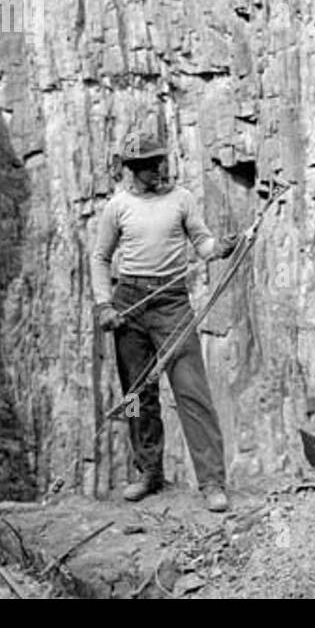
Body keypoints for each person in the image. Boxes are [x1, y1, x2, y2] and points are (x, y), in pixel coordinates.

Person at [90, 131, 238, 512]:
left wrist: (218, 249)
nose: (162, 168)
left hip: (172, 303)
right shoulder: (117, 207)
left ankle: (212, 482)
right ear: (137, 171)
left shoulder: (182, 200)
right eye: (154, 164)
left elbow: (202, 243)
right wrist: (104, 304)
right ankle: (148, 471)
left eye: (161, 162)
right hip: (129, 304)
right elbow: (101, 257)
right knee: (136, 396)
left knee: (191, 389)